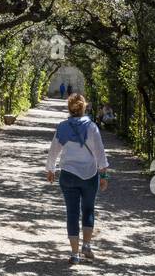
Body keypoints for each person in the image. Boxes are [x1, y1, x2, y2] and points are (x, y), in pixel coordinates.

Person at [46, 92, 110, 266]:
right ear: (84, 107)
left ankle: (75, 254)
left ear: (69, 108)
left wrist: (50, 169)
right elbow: (100, 152)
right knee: (88, 209)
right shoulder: (92, 127)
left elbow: (53, 151)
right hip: (89, 175)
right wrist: (103, 174)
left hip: (68, 174)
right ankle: (87, 246)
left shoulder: (62, 127)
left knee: (72, 213)